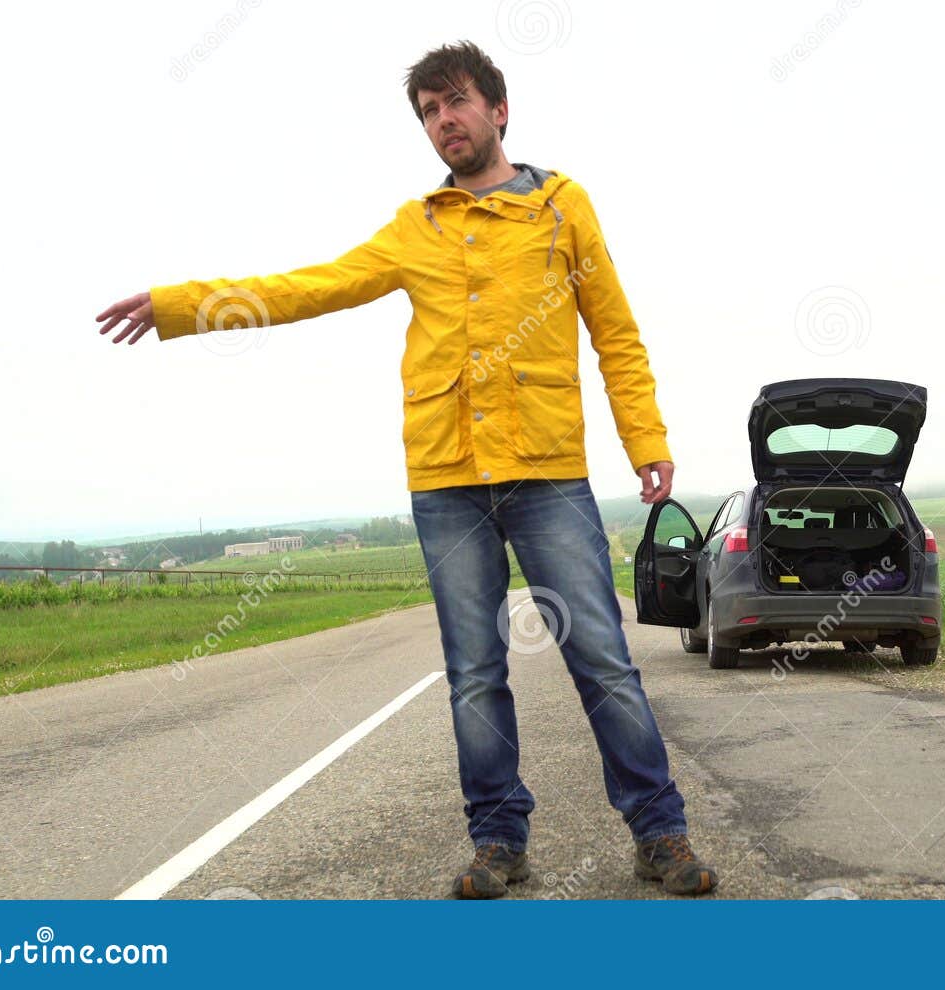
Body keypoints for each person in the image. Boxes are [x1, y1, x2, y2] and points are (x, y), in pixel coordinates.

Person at [94, 40, 717, 900]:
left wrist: (645, 440)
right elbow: (308, 286)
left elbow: (615, 330)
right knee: (473, 672)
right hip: (446, 477)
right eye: (428, 111)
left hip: (546, 472)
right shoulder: (415, 227)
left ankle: (661, 833)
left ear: (499, 109)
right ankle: (500, 841)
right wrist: (177, 306)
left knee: (601, 658)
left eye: (455, 101)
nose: (443, 121)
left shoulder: (563, 209)